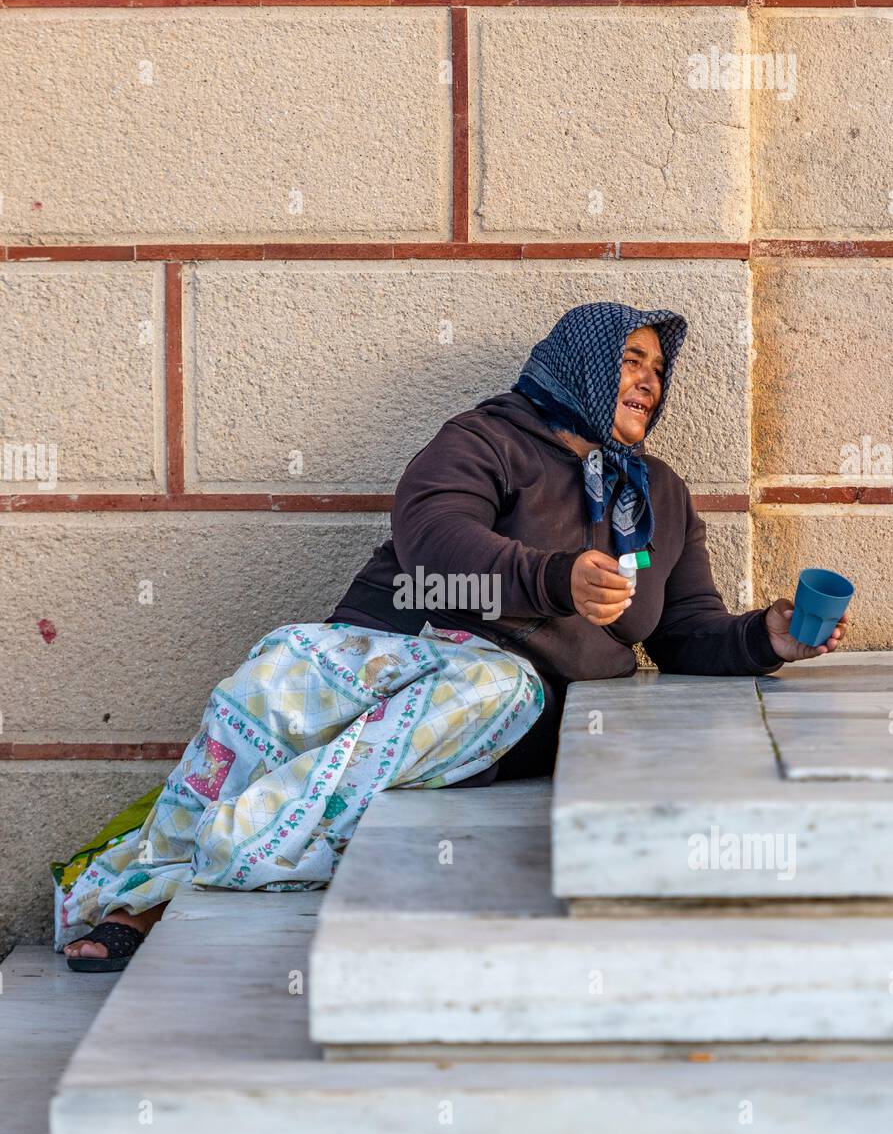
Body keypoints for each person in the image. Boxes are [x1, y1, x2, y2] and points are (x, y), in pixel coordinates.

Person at [60, 301, 849, 970]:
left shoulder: (659, 499)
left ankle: (200, 872)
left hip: (500, 701)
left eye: (655, 369)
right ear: (577, 363)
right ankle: (132, 895)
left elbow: (683, 633)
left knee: (493, 683)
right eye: (629, 359)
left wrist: (766, 638)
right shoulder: (486, 439)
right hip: (392, 645)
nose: (647, 379)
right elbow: (432, 538)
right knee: (277, 669)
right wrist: (553, 577)